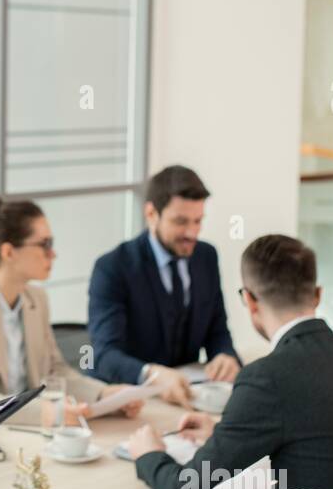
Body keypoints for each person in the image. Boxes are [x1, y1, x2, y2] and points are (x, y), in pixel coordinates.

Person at [123, 234, 333, 489]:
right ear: (317, 294)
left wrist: (149, 455)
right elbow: (314, 436)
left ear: (250, 300)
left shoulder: (266, 379)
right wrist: (223, 435)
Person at [0, 194, 144, 427]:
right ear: (9, 252)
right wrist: (44, 412)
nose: (53, 254)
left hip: (37, 435)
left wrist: (104, 394)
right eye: (44, 244)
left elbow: (55, 372)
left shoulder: (37, 299)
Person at [87, 165, 239, 404]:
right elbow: (102, 356)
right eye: (180, 222)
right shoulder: (112, 267)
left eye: (198, 221)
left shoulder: (206, 256)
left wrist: (225, 355)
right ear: (151, 214)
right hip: (131, 400)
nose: (192, 233)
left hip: (185, 394)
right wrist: (152, 374)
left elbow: (217, 329)